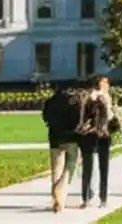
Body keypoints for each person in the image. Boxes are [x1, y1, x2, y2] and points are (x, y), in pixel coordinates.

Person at [77, 75, 118, 209]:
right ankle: (103, 198)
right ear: (99, 84)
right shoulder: (105, 97)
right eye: (105, 82)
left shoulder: (86, 97)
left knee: (87, 168)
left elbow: (82, 118)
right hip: (103, 134)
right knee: (103, 167)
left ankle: (86, 197)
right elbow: (111, 117)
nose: (107, 85)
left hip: (89, 135)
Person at [41, 83, 78, 213]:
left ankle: (56, 201)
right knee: (70, 166)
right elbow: (78, 118)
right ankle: (61, 191)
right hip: (71, 138)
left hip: (55, 137)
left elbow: (45, 118)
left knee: (56, 169)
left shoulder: (50, 102)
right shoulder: (73, 102)